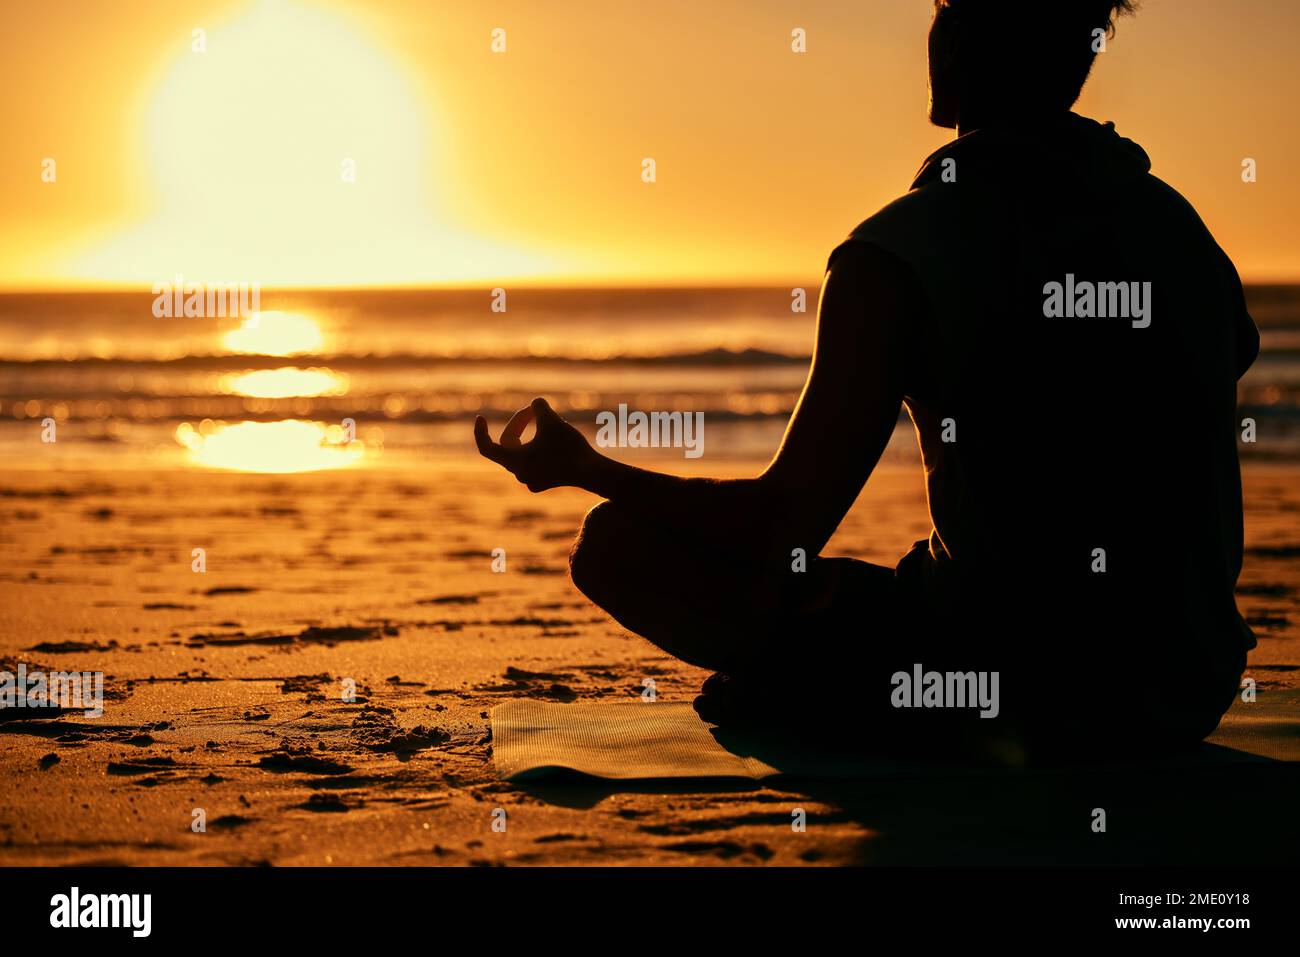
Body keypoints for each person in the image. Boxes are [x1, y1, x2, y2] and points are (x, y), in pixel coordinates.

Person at [474, 0, 1259, 760]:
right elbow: (1223, 365)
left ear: (955, 43)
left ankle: (844, 704)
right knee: (876, 589)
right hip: (1184, 684)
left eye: (947, 8)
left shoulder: (895, 253)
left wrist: (585, 468)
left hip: (1015, 685)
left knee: (613, 544)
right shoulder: (1180, 227)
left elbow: (781, 529)